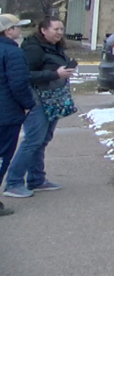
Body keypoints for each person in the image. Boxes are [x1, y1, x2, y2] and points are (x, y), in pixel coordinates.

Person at [3, 17, 76, 199]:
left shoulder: (54, 46)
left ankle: (36, 179)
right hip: (37, 98)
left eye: (61, 29)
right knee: (33, 140)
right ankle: (13, 182)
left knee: (43, 139)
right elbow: (24, 75)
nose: (60, 32)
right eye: (56, 29)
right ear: (43, 30)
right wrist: (54, 74)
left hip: (53, 98)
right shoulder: (32, 48)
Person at [0, 14, 35, 215]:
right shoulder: (13, 53)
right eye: (16, 27)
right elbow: (19, 84)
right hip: (6, 115)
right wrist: (28, 104)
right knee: (2, 156)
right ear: (8, 31)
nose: (19, 30)